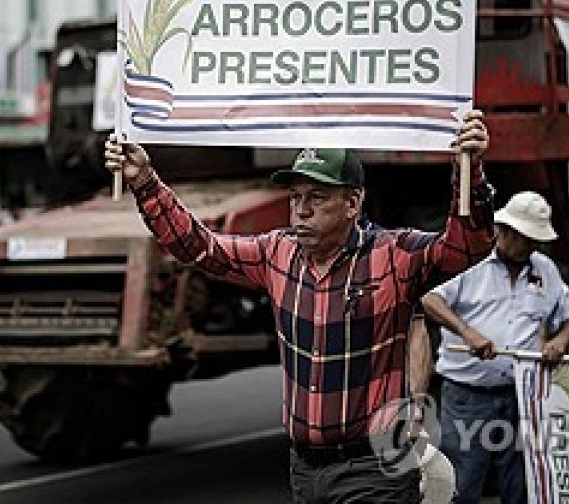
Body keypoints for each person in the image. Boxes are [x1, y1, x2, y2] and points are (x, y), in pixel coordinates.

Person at [105, 111, 494, 504]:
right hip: (306, 471)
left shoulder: (393, 256)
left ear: (352, 203)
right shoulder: (277, 253)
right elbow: (200, 247)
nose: (301, 210)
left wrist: (470, 171)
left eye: (317, 198)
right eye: (296, 198)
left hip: (375, 468)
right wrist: (145, 182)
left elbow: (468, 247)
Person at [421, 190, 569, 504]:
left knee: (521, 482)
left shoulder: (544, 269)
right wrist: (467, 333)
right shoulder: (470, 262)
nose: (533, 245)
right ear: (505, 231)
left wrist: (560, 341)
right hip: (467, 395)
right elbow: (430, 299)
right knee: (462, 482)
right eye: (527, 238)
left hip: (521, 394)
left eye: (536, 239)